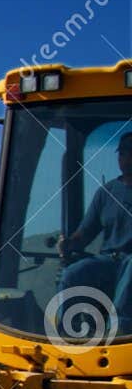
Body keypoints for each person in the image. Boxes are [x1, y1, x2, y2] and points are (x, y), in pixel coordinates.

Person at [57, 130, 132, 308]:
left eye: (128, 151)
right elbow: (85, 233)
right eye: (121, 152)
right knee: (72, 275)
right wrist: (68, 243)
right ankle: (64, 328)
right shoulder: (106, 193)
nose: (123, 157)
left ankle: (119, 326)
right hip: (110, 261)